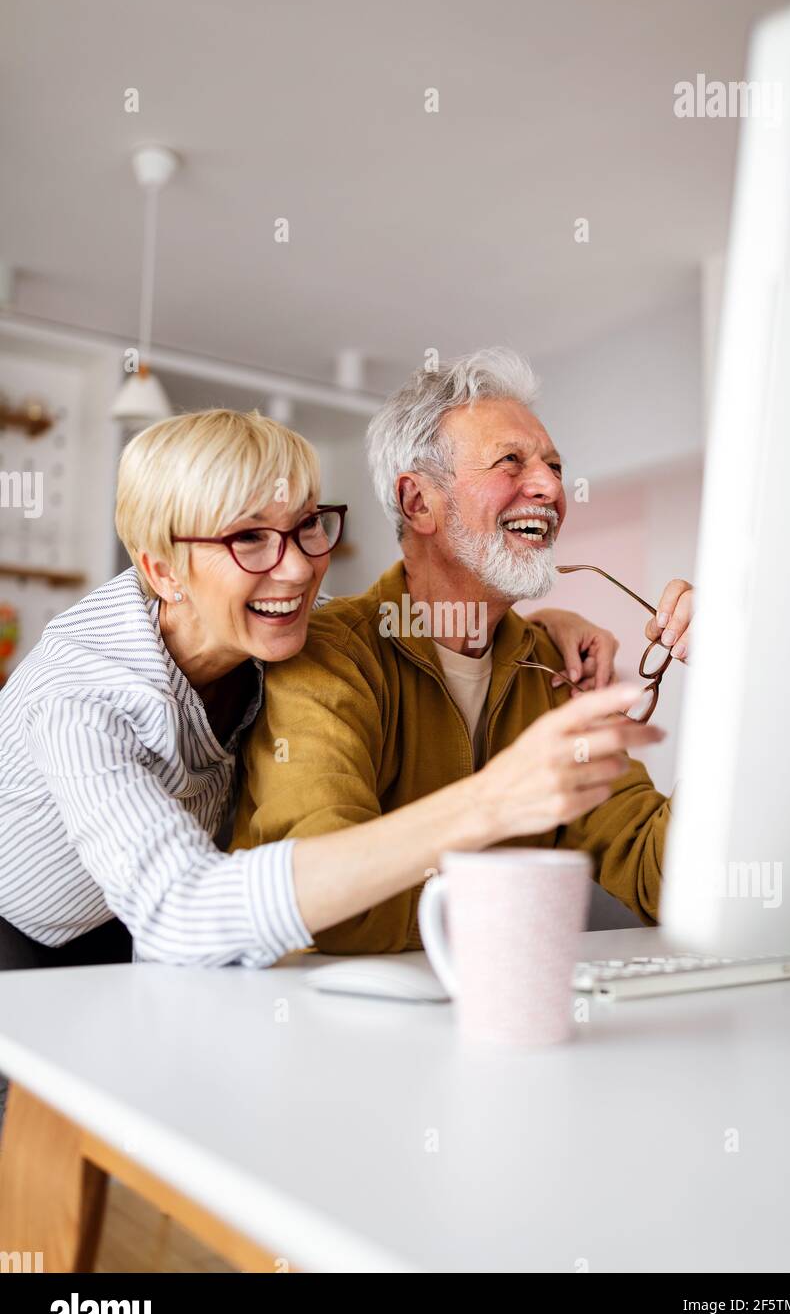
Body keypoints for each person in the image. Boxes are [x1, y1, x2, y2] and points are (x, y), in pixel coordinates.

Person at [0, 406, 649, 970]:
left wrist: (535, 629)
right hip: (29, 935)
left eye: (308, 525)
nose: (297, 568)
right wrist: (488, 803)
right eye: (249, 536)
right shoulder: (80, 695)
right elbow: (179, 911)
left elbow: (400, 622)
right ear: (161, 570)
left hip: (143, 925)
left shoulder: (274, 625)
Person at [232, 349, 694, 953]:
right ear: (419, 502)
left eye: (555, 466)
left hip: (491, 1018)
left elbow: (661, 878)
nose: (551, 487)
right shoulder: (328, 657)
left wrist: (743, 680)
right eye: (512, 462)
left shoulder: (556, 670)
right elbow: (332, 910)